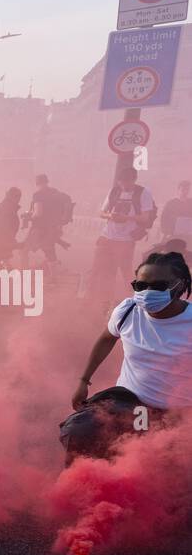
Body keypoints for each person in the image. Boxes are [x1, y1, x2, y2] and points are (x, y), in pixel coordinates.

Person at [63, 250, 191, 461]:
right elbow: (106, 338)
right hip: (129, 402)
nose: (148, 293)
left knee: (163, 465)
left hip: (178, 412)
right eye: (140, 286)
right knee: (80, 431)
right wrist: (83, 381)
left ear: (180, 284)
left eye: (158, 286)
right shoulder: (127, 311)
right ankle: (79, 486)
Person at [88, 166, 156, 306]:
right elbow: (102, 212)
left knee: (125, 271)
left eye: (127, 183)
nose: (124, 185)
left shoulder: (143, 193)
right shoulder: (114, 190)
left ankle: (136, 301)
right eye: (121, 182)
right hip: (107, 236)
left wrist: (127, 218)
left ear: (134, 180)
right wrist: (110, 216)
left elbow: (145, 218)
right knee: (100, 268)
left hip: (126, 239)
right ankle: (100, 300)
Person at [23, 174, 72, 274]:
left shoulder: (38, 195)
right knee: (50, 253)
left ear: (37, 183)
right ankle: (53, 279)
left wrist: (28, 216)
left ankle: (23, 274)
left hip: (39, 228)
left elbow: (38, 213)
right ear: (47, 181)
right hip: (53, 228)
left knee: (23, 251)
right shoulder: (55, 192)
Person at [160, 180, 192, 245]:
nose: (185, 192)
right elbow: (163, 218)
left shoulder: (190, 203)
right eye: (183, 190)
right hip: (173, 234)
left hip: (188, 235)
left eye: (187, 190)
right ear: (178, 190)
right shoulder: (171, 203)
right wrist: (166, 231)